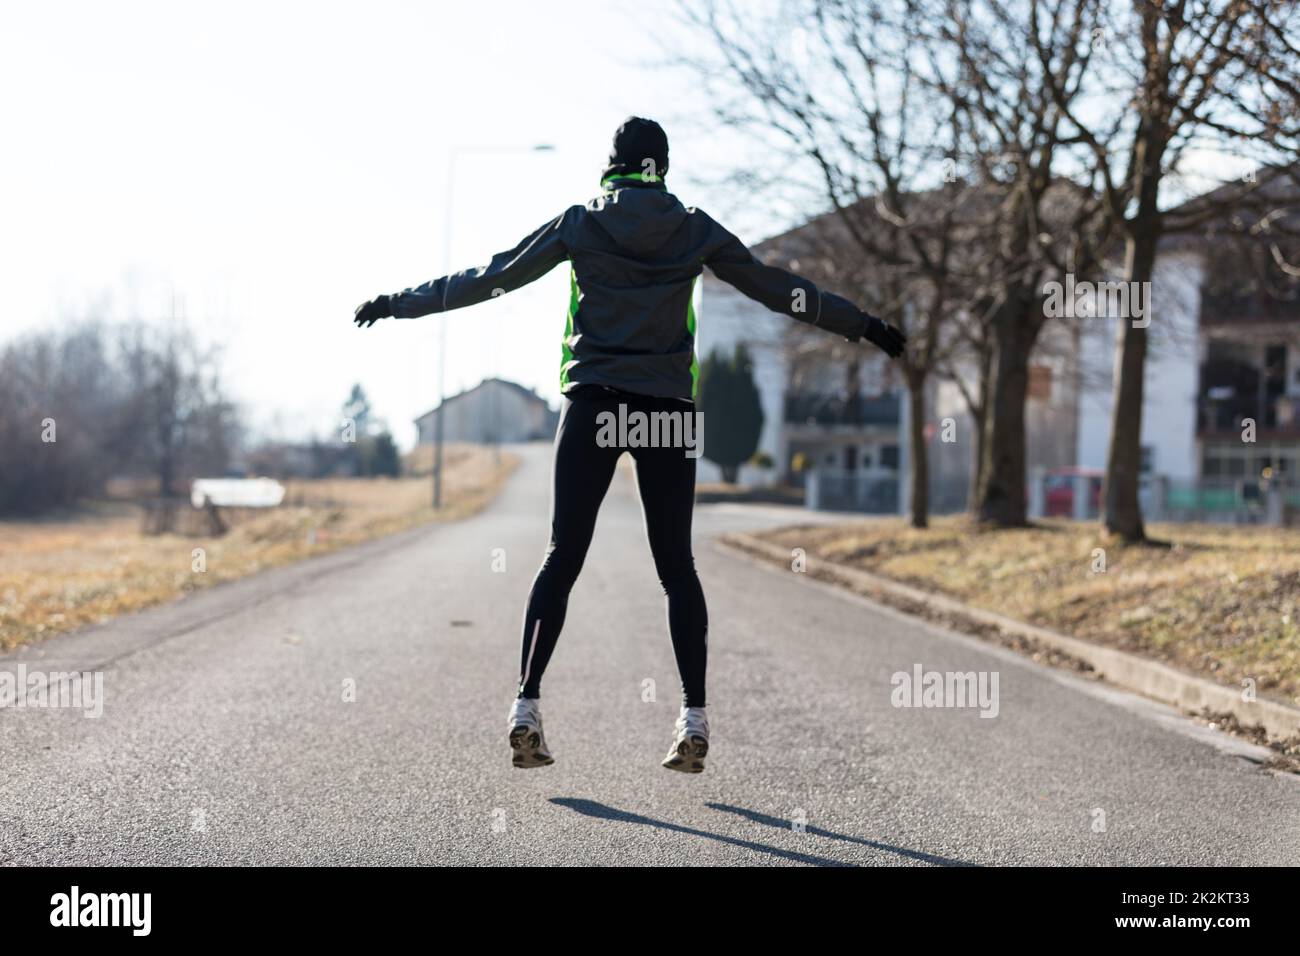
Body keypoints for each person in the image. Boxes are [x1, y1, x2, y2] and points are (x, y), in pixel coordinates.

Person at [354, 117, 906, 773]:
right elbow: (780, 289)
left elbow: (492, 277)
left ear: (612, 165)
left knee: (563, 555)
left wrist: (399, 304)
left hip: (594, 403)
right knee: (677, 566)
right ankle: (693, 718)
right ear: (662, 167)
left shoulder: (581, 223)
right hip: (666, 410)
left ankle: (526, 705)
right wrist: (864, 325)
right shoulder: (696, 228)